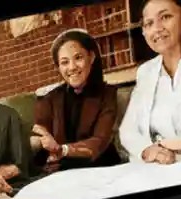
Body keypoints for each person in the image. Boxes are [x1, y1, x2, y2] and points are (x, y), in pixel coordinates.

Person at [119, 0, 181, 165]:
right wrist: (146, 150)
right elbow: (127, 130)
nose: (157, 28)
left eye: (165, 17)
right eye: (149, 23)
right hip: (158, 165)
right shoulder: (146, 72)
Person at [32, 29, 120, 173]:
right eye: (64, 62)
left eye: (78, 58)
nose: (72, 67)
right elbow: (38, 132)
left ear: (91, 57)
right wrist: (40, 140)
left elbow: (99, 141)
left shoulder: (108, 94)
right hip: (63, 171)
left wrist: (63, 150)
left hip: (102, 167)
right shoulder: (49, 98)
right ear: (59, 67)